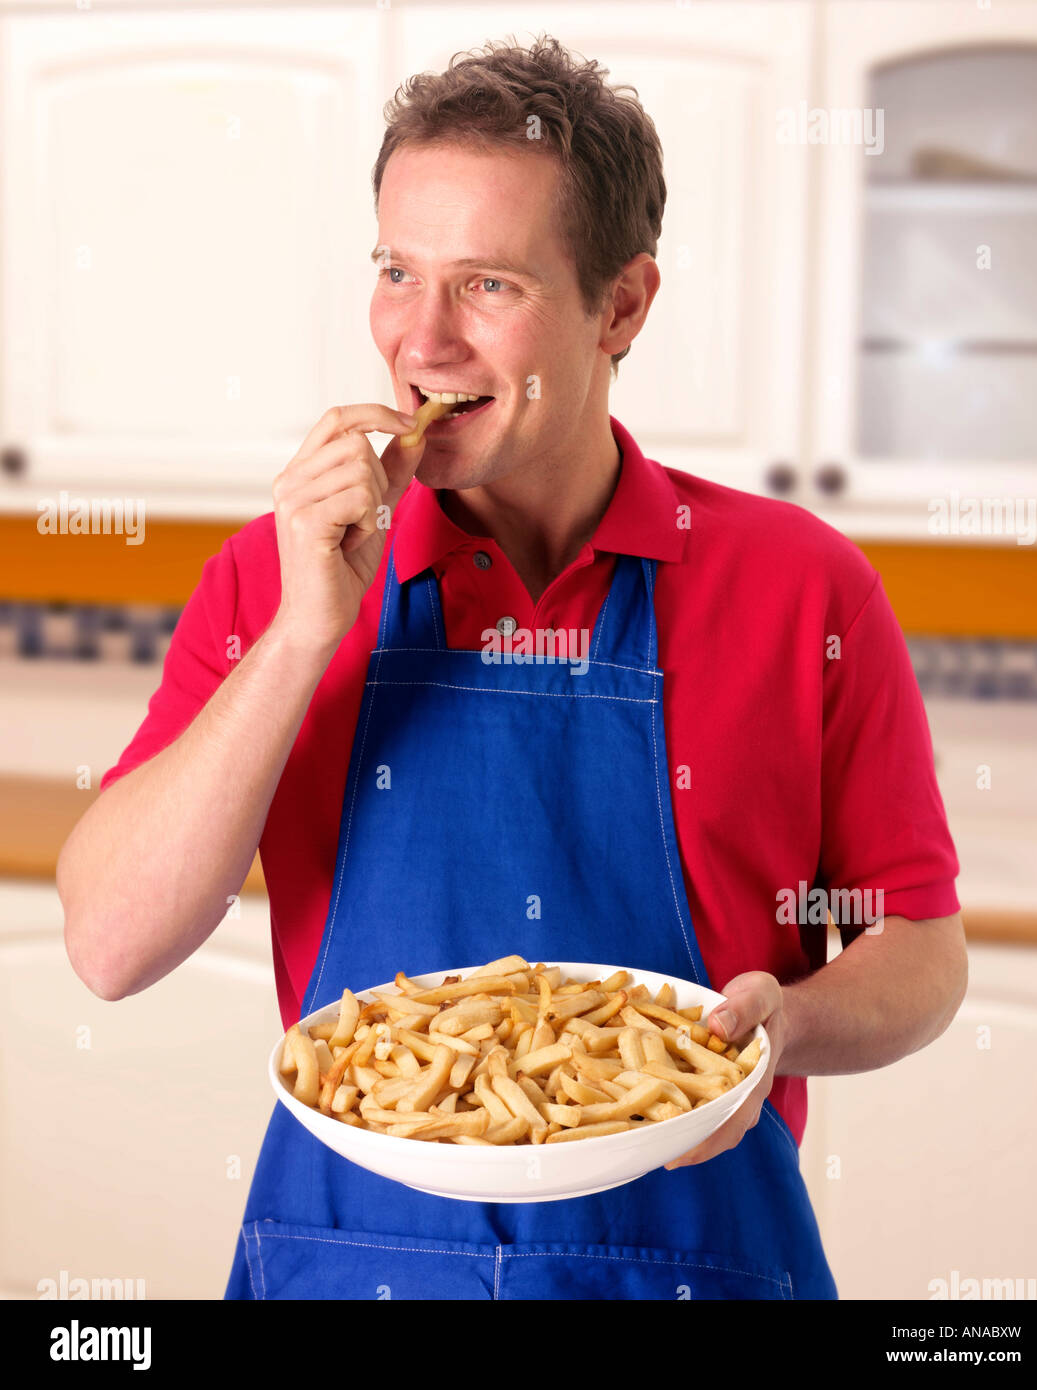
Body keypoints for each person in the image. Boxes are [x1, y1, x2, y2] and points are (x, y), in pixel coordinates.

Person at [58, 35, 966, 1300]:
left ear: (622, 305)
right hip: (347, 1268)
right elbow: (108, 944)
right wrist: (308, 630)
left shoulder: (800, 585)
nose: (420, 341)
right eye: (395, 271)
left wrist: (785, 1031)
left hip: (700, 1269)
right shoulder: (278, 579)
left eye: (485, 284)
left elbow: (917, 944)